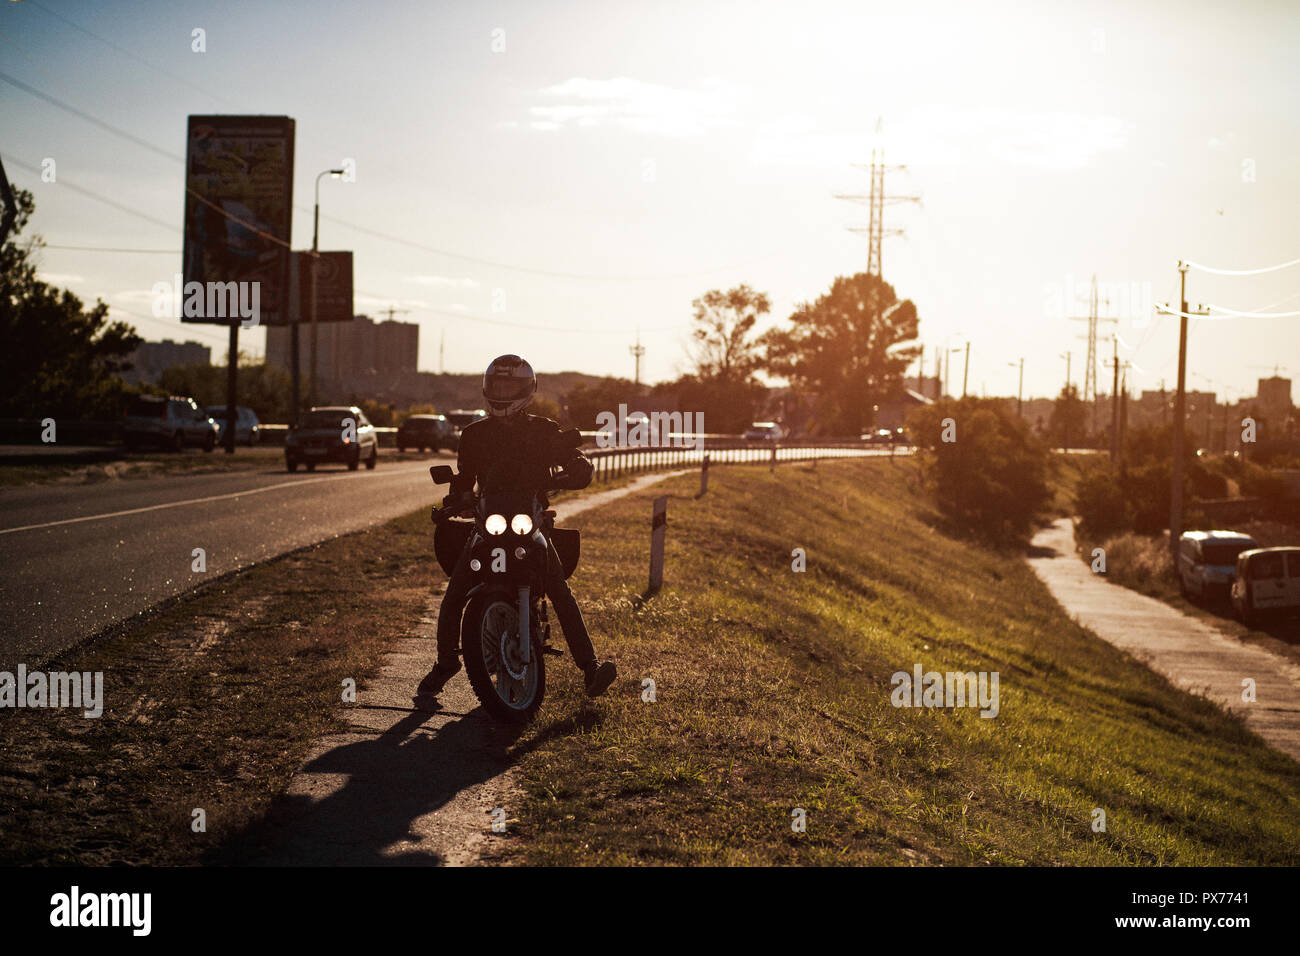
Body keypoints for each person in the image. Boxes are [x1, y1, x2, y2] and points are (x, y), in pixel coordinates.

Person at [414, 354, 617, 706]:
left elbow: (572, 458)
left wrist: (579, 468)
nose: (502, 392)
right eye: (497, 385)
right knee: (455, 593)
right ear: (487, 388)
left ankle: (590, 667)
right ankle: (446, 662)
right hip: (487, 519)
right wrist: (456, 500)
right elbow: (462, 482)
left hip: (530, 518)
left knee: (558, 588)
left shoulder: (544, 430)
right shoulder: (473, 434)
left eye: (510, 386)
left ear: (526, 389)